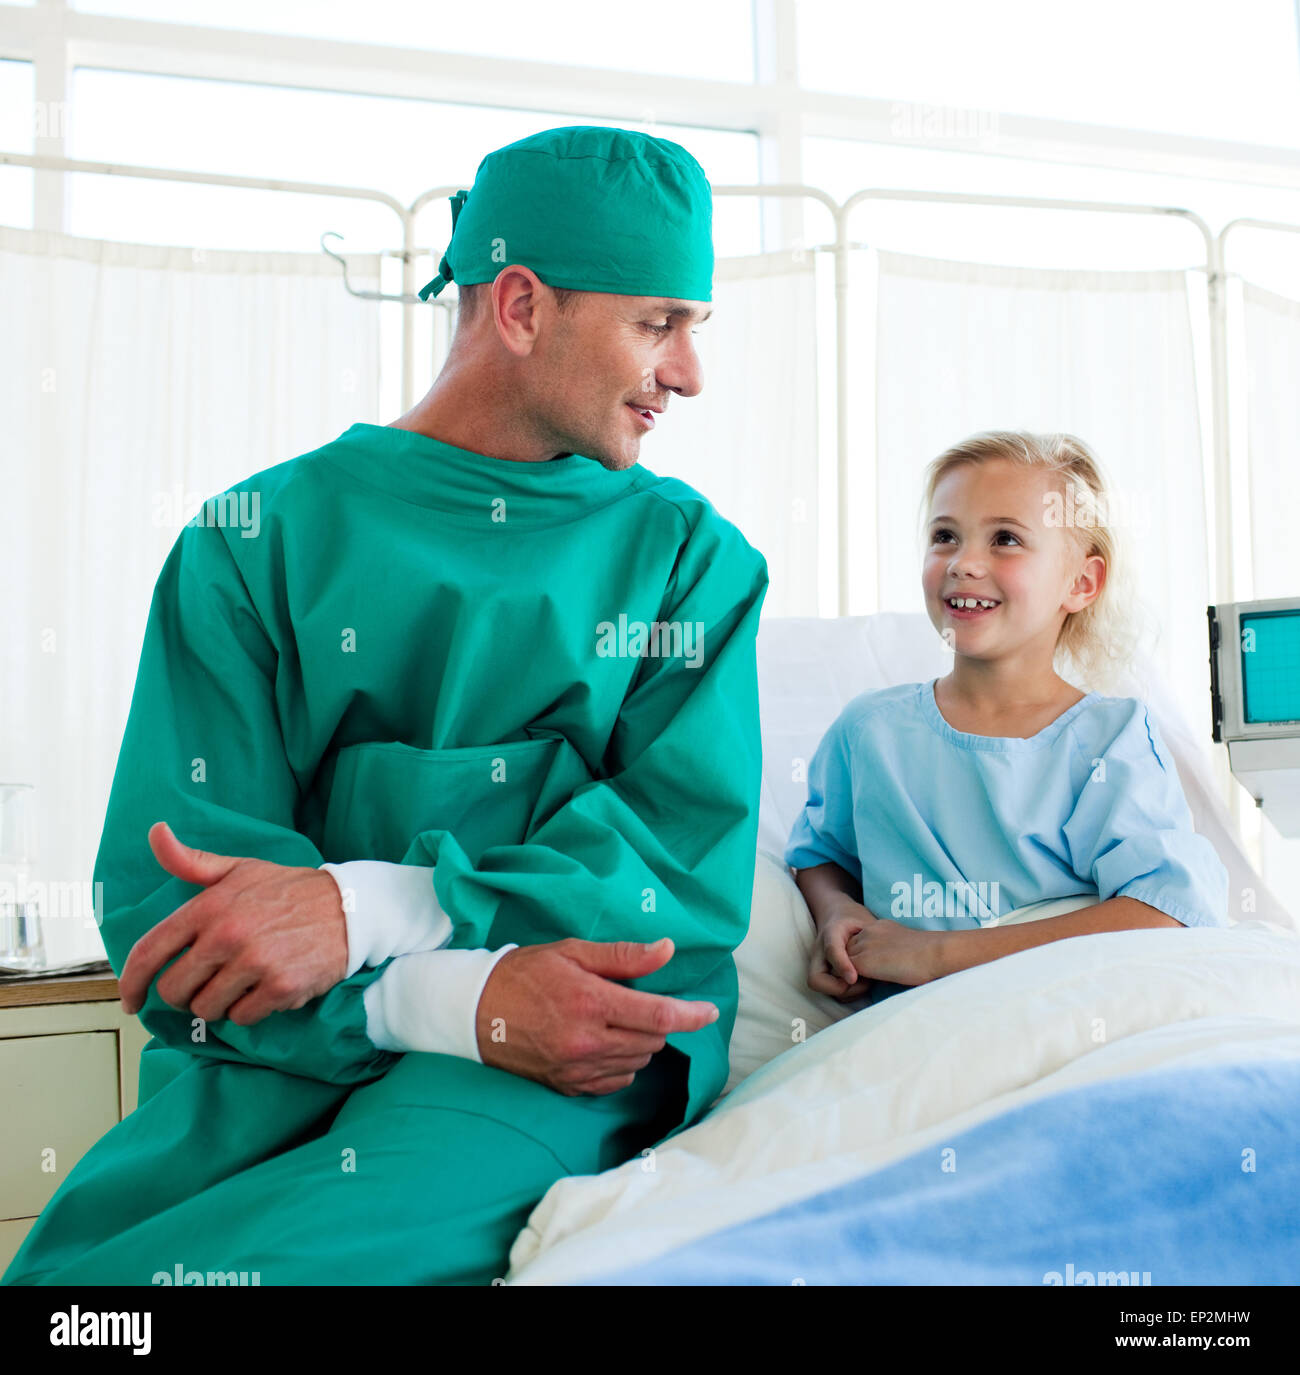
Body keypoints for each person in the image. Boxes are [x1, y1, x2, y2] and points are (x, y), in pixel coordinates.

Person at [4, 126, 768, 1286]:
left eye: (693, 329)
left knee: (306, 1259)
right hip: (278, 1060)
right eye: (658, 323)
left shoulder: (689, 565)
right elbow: (182, 916)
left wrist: (360, 910)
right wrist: (444, 993)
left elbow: (674, 868)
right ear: (519, 306)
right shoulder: (253, 545)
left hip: (558, 1050)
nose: (688, 374)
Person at [787, 430, 1227, 1005]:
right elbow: (820, 851)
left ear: (1080, 583)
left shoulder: (1109, 740)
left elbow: (1168, 911)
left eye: (1006, 539)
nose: (964, 563)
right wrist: (836, 913)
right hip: (910, 1038)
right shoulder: (870, 731)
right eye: (945, 536)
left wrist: (937, 954)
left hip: (1056, 1020)